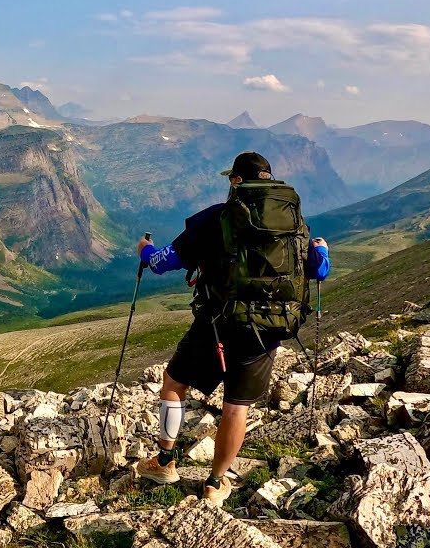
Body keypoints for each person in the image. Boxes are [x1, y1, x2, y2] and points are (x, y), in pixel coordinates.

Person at [133, 151, 330, 505]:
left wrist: (146, 250)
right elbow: (319, 270)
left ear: (236, 181)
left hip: (217, 324)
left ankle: (164, 461)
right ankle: (215, 483)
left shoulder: (216, 218)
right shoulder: (294, 222)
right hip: (267, 330)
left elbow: (165, 263)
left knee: (174, 383)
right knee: (236, 407)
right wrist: (323, 250)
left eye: (230, 179)